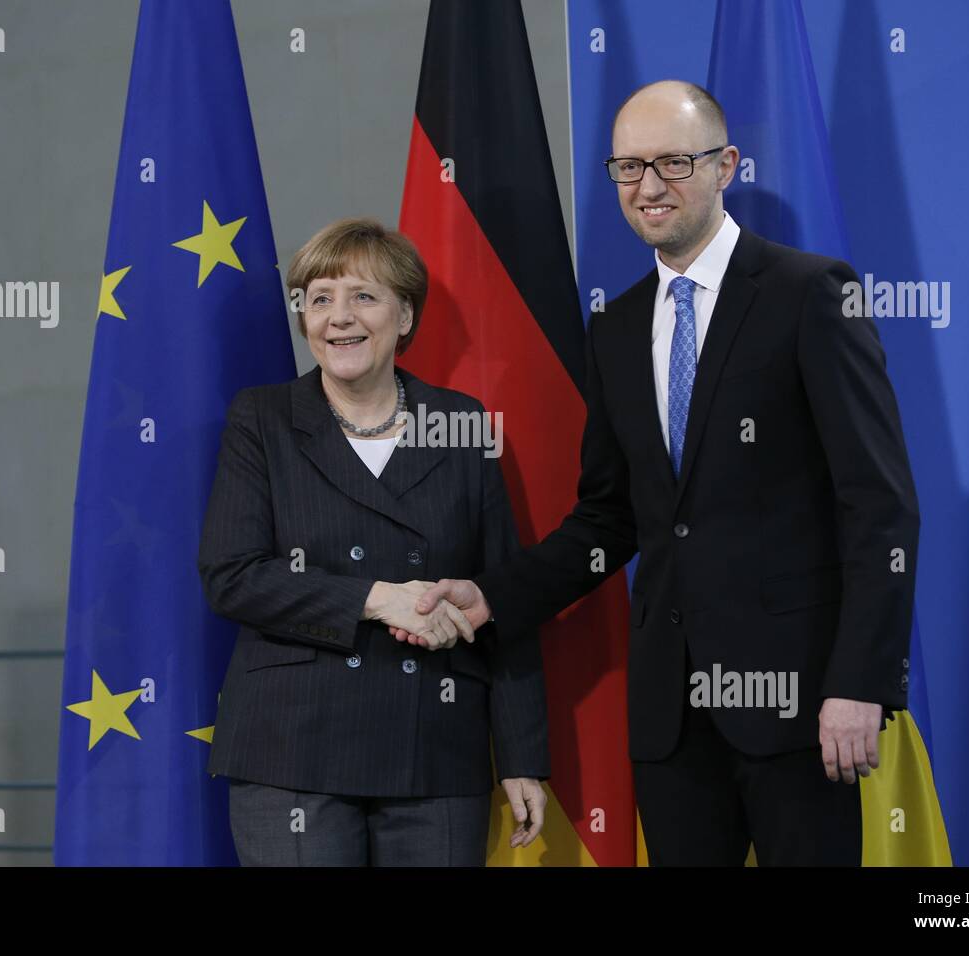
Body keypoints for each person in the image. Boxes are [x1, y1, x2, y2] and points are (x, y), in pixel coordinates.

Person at [394, 81, 920, 866]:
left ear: (726, 165)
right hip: (672, 718)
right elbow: (609, 519)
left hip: (803, 705)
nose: (648, 187)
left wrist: (860, 684)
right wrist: (491, 596)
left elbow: (880, 508)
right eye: (629, 166)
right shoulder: (617, 326)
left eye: (674, 162)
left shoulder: (810, 293)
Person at [197, 217, 549, 866]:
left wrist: (523, 756)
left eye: (364, 295)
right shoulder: (262, 420)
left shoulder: (462, 423)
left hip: (436, 748)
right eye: (319, 297)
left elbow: (505, 595)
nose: (338, 317)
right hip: (293, 749)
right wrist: (375, 599)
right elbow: (232, 575)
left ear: (405, 313)